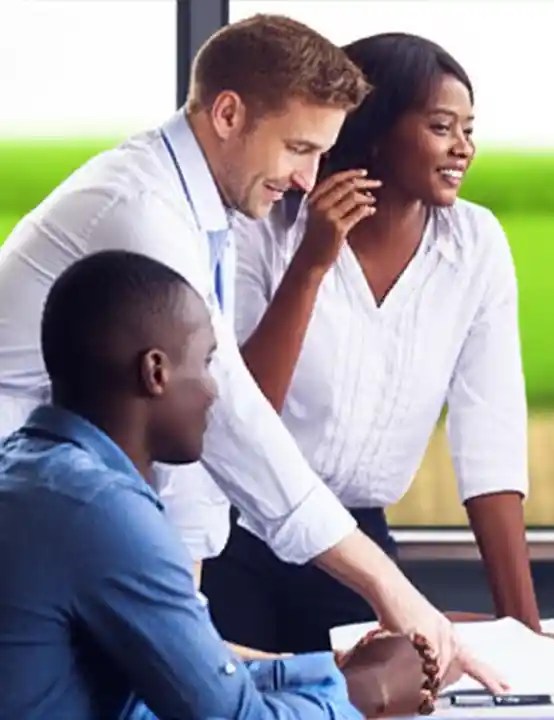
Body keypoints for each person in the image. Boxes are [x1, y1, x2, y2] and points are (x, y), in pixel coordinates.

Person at [0, 13, 498, 686]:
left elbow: (189, 431)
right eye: (297, 148)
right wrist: (388, 586)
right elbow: (230, 414)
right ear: (228, 113)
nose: (306, 179)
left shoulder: (205, 206)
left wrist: (234, 650)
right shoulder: (143, 210)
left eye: (321, 153)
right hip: (32, 507)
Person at [198, 32, 541, 653]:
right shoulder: (264, 228)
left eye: (469, 128)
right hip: (234, 533)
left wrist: (526, 631)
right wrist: (311, 265)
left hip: (351, 542)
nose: (463, 148)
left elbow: (489, 438)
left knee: (383, 690)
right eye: (442, 126)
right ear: (375, 129)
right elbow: (240, 415)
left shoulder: (476, 246)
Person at [0, 250, 446, 719]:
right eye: (207, 362)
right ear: (156, 373)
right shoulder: (103, 512)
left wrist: (333, 674)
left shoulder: (39, 473)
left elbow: (180, 684)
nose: (215, 390)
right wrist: (368, 689)